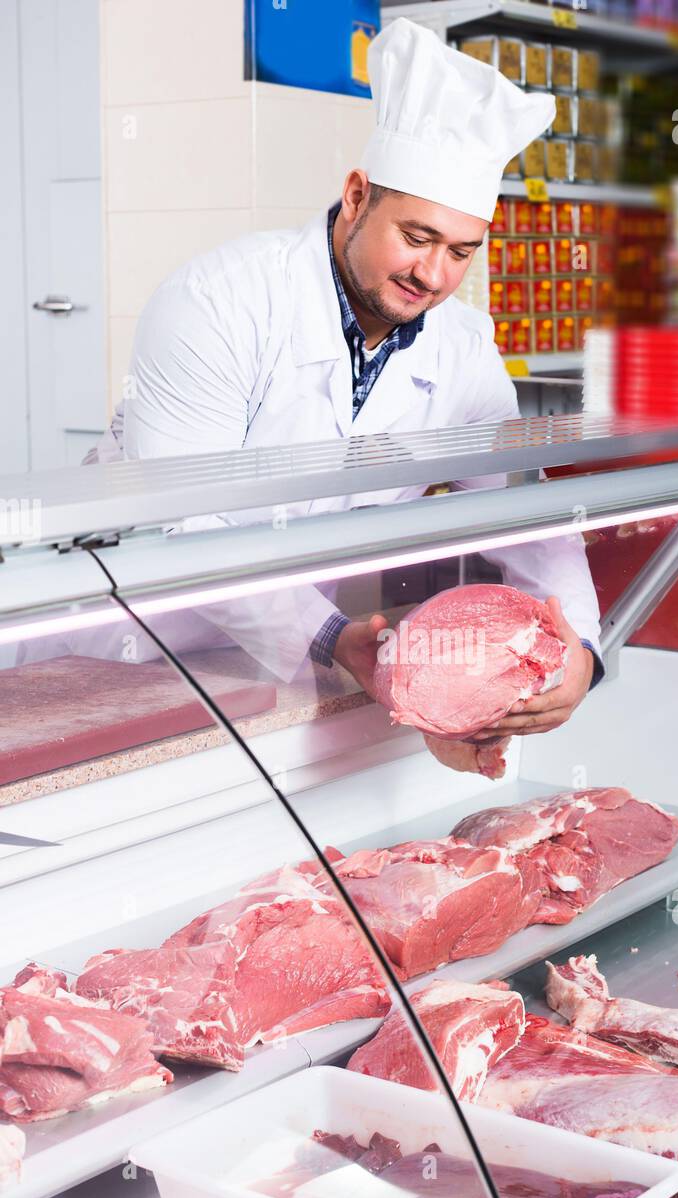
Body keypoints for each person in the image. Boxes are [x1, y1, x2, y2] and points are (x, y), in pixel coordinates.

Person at [89, 18, 603, 751]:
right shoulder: (218, 299)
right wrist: (329, 634)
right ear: (357, 195)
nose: (433, 275)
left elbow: (524, 514)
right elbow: (180, 522)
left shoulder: (462, 346)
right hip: (122, 638)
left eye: (461, 252)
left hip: (274, 664)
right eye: (416, 238)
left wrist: (579, 646)